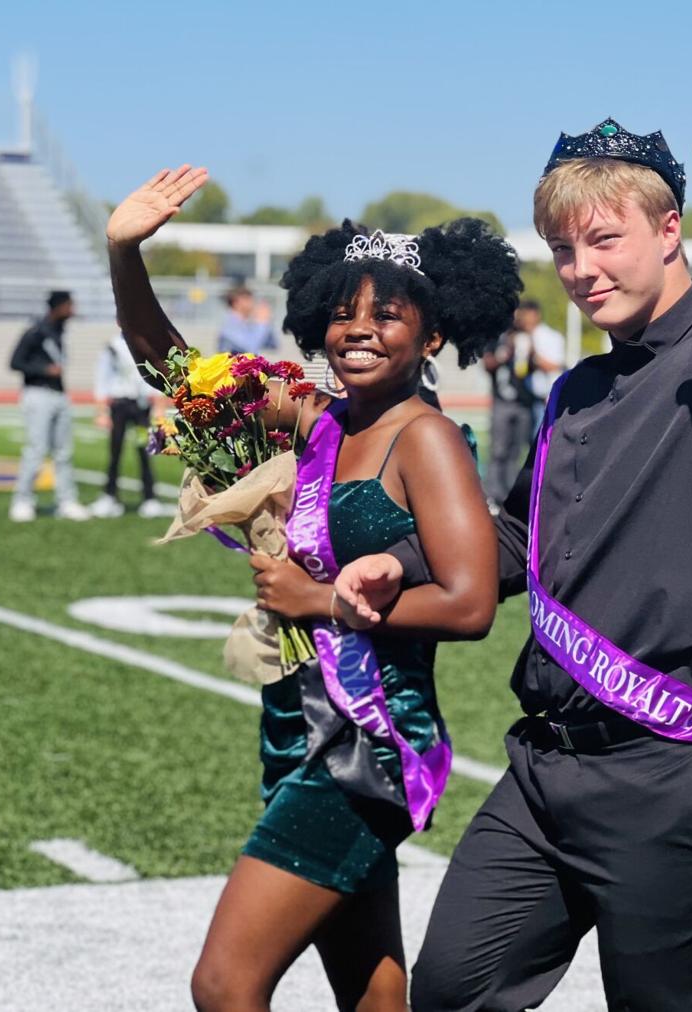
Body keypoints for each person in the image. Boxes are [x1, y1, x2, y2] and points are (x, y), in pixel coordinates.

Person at [335, 97, 692, 1011]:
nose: (581, 269)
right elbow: (522, 536)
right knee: (453, 985)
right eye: (565, 250)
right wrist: (401, 561)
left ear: (671, 229)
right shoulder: (579, 384)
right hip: (547, 769)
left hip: (678, 773)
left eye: (604, 241)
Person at [107, 166, 522, 1012]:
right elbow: (179, 377)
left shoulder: (427, 440)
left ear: (432, 336)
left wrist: (320, 601)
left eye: (386, 315)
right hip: (301, 731)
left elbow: (472, 603)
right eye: (342, 313)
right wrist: (123, 254)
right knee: (370, 992)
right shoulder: (320, 416)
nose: (357, 331)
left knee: (224, 983)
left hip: (369, 747)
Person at [7, 290, 89, 522]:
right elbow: (15, 362)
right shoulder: (35, 332)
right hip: (37, 394)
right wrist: (44, 370)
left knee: (64, 451)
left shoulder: (59, 332)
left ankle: (66, 500)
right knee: (36, 449)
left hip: (59, 395)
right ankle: (23, 500)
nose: (73, 311)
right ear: (58, 307)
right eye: (70, 306)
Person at [87, 331, 174, 519]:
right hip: (119, 406)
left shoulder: (143, 344)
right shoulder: (113, 345)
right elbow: (103, 377)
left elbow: (153, 373)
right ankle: (110, 496)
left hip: (140, 407)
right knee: (115, 450)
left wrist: (159, 404)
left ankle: (150, 498)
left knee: (144, 449)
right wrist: (101, 411)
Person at [481, 324, 536, 506]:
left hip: (522, 402)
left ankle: (510, 494)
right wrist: (506, 354)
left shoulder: (526, 338)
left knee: (516, 451)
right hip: (502, 402)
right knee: (498, 450)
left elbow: (532, 367)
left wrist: (528, 351)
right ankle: (493, 494)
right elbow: (488, 364)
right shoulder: (496, 339)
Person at [516, 298, 566, 432]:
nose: (523, 319)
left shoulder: (551, 336)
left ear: (534, 314)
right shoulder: (521, 337)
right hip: (528, 399)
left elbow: (555, 366)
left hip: (546, 399)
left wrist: (534, 357)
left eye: (525, 315)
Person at [216, 285, 277, 355]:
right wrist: (262, 323)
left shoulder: (247, 324)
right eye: (247, 300)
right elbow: (250, 349)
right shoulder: (229, 324)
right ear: (236, 302)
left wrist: (266, 322)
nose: (252, 303)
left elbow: (272, 345)